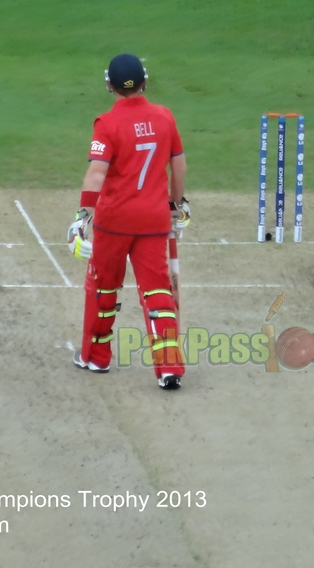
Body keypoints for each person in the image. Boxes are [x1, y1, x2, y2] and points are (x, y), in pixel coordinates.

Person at [69, 53, 189, 390]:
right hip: (153, 219)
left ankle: (96, 356)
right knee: (157, 291)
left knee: (103, 288)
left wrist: (82, 215)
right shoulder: (165, 117)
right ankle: (169, 368)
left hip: (114, 220)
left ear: (109, 85)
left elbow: (96, 173)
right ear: (144, 82)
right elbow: (178, 168)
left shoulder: (106, 124)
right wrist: (177, 206)